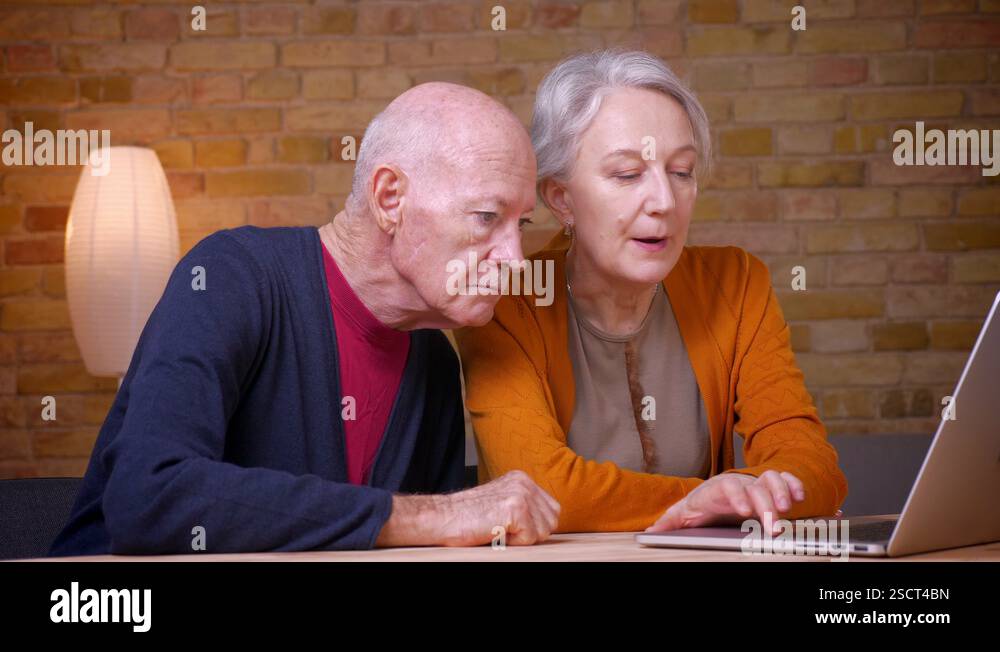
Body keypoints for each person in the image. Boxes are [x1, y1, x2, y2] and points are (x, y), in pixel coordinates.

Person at [49, 82, 559, 556]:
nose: (515, 260)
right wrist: (432, 514)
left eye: (522, 223)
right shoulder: (230, 275)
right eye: (487, 217)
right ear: (390, 199)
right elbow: (150, 496)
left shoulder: (434, 364)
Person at [455, 50, 848, 535]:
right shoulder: (506, 303)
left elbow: (815, 469)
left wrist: (740, 493)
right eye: (627, 175)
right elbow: (543, 488)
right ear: (561, 199)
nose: (665, 202)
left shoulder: (737, 283)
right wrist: (718, 497)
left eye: (681, 171)